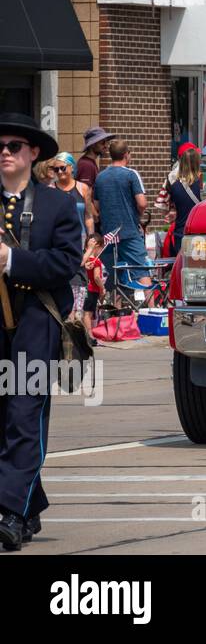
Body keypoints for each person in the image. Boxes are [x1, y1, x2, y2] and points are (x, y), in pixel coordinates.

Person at [0, 113, 83, 551]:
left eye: (14, 146)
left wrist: (12, 262)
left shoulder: (56, 205)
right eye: (1, 145)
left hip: (36, 320)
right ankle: (27, 502)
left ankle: (10, 512)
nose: (5, 152)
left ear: (33, 154)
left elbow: (66, 263)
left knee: (23, 415)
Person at [93, 139, 151, 290]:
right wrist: (138, 214)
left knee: (115, 274)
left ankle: (116, 310)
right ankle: (150, 308)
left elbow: (97, 205)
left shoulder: (100, 177)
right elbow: (142, 203)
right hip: (129, 230)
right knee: (141, 269)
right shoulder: (131, 174)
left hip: (109, 233)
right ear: (126, 155)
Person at [164, 146, 203, 258]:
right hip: (200, 233)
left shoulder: (173, 185)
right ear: (197, 162)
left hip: (180, 233)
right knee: (200, 268)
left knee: (182, 269)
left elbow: (168, 207)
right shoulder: (203, 185)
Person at [48, 152, 95, 242]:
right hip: (58, 240)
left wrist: (91, 239)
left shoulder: (83, 188)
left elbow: (88, 216)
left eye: (63, 168)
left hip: (81, 239)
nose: (60, 172)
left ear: (72, 167)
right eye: (56, 169)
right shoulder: (51, 189)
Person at [76, 125, 114, 191]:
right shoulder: (86, 165)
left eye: (106, 142)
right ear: (92, 144)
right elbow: (84, 193)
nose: (106, 146)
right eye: (102, 142)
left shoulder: (89, 162)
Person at [81, 233, 105, 332]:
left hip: (84, 288)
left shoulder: (84, 260)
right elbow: (96, 277)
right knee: (88, 313)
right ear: (97, 247)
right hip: (92, 289)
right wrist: (102, 288)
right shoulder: (96, 261)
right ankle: (89, 334)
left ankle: (87, 333)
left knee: (84, 312)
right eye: (101, 248)